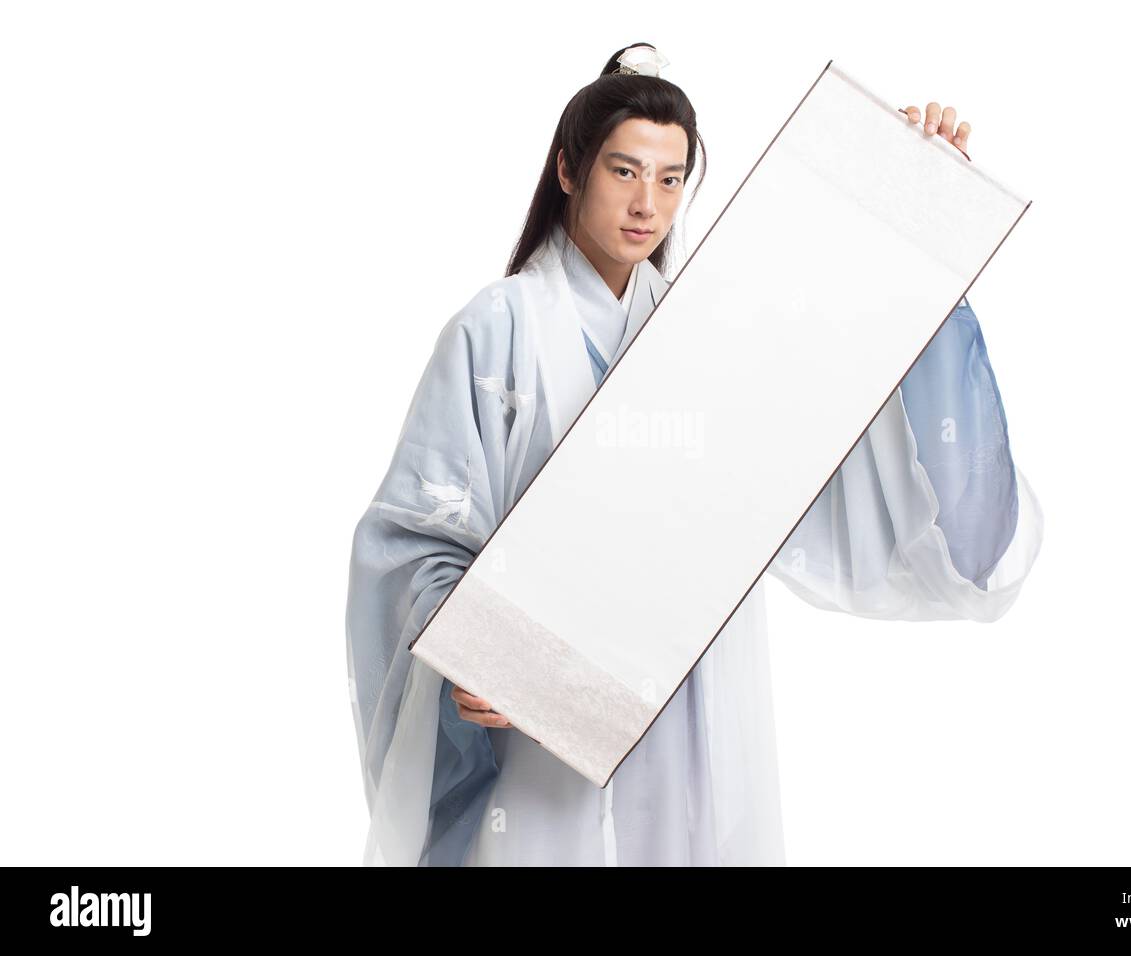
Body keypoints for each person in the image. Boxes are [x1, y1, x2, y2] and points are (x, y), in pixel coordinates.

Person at [345, 43, 1044, 866]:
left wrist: (915, 225)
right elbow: (414, 535)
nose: (649, 204)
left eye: (672, 179)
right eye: (625, 171)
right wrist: (463, 645)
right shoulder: (496, 328)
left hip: (704, 705)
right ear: (569, 171)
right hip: (553, 723)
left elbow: (838, 448)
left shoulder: (711, 341)